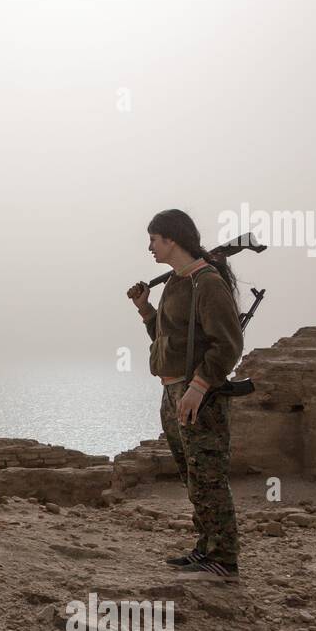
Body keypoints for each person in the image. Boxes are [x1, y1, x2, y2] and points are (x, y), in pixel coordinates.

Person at [127, 209, 244, 577]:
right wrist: (146, 310)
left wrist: (199, 385)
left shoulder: (206, 282)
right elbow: (169, 342)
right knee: (192, 475)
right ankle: (205, 547)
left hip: (199, 395)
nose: (149, 247)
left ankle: (224, 558)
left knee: (208, 474)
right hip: (173, 389)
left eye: (154, 239)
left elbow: (227, 345)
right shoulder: (177, 284)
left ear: (172, 239)